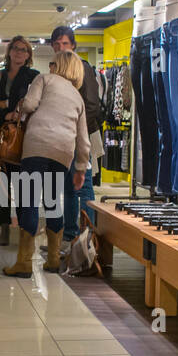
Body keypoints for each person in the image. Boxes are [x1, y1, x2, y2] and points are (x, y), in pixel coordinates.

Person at [2, 50, 90, 277]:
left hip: (37, 147)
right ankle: (52, 260)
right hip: (62, 154)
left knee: (29, 200)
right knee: (52, 202)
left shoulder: (45, 79)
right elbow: (83, 140)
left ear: (57, 65)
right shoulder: (77, 97)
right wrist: (80, 168)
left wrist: (22, 107)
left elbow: (30, 105)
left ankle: (23, 263)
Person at [0, 36, 39, 246]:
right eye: (16, 48)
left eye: (24, 50)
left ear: (29, 54)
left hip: (24, 137)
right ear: (9, 51)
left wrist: (7, 103)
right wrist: (5, 113)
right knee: (1, 182)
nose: (19, 53)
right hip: (0, 137)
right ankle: (4, 225)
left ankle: (23, 226)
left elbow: (32, 103)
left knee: (23, 184)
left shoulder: (33, 76)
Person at [48, 26, 102, 250]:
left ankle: (88, 236)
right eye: (57, 44)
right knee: (69, 187)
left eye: (65, 44)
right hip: (62, 138)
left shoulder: (82, 68)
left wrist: (77, 132)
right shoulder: (57, 71)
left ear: (73, 45)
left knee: (84, 185)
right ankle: (70, 236)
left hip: (80, 138)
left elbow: (92, 106)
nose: (61, 48)